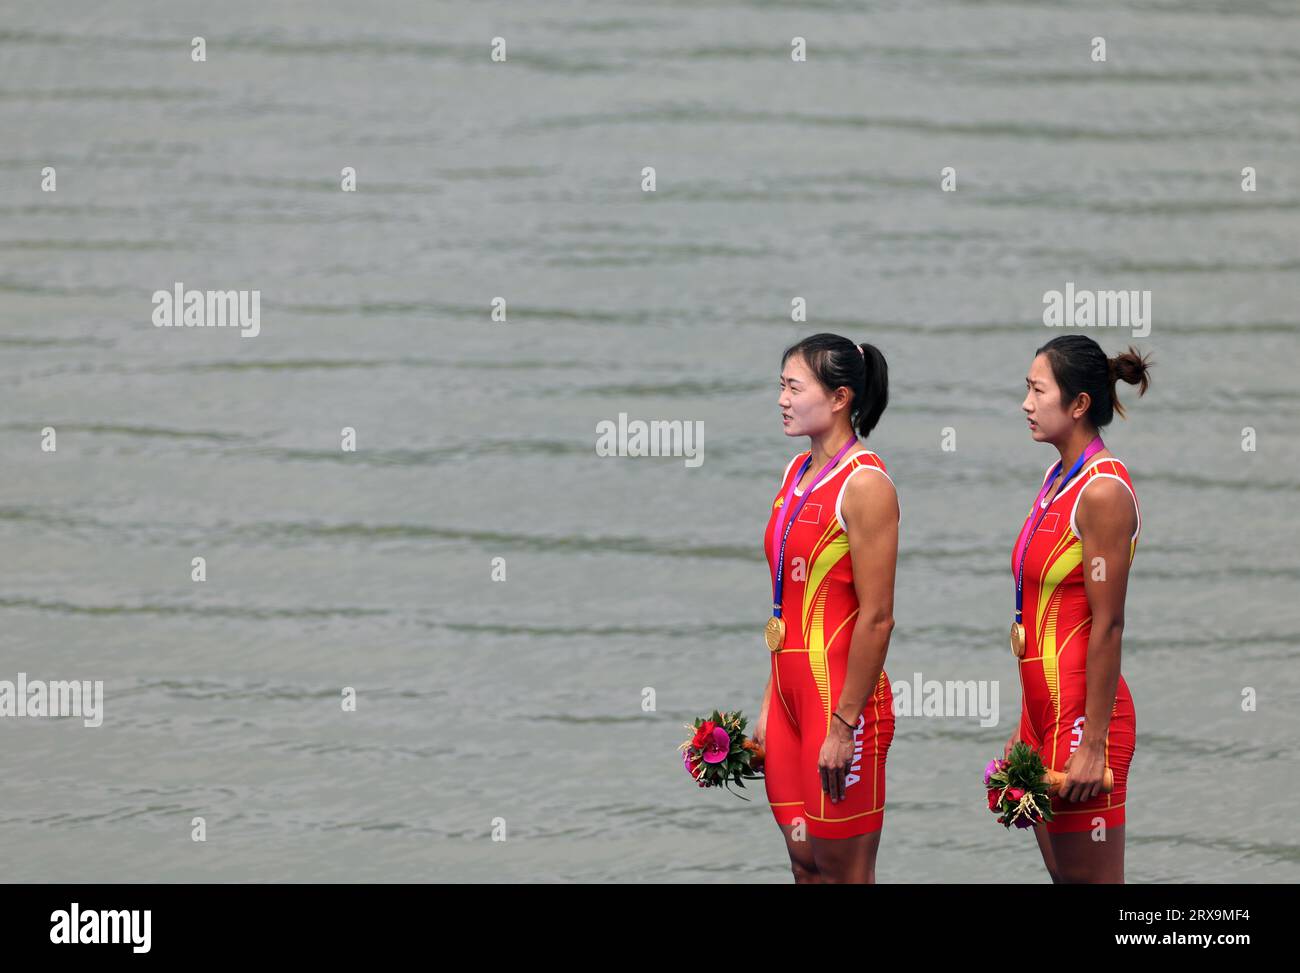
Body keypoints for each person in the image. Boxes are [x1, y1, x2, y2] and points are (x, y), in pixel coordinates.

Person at [753, 333, 900, 884]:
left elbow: (878, 616)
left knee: (844, 874)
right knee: (805, 866)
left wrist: (843, 724)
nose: (782, 399)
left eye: (794, 387)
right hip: (789, 702)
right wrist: (769, 701)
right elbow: (784, 604)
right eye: (781, 387)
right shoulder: (795, 474)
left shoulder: (865, 485)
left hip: (840, 705)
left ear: (840, 397)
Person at [1008, 334, 1152, 883]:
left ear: (1078, 404)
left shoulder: (1102, 491)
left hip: (1087, 720)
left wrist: (1092, 744)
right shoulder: (1055, 480)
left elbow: (1108, 623)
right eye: (1027, 389)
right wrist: (1027, 725)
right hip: (1044, 711)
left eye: (1038, 390)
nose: (1026, 403)